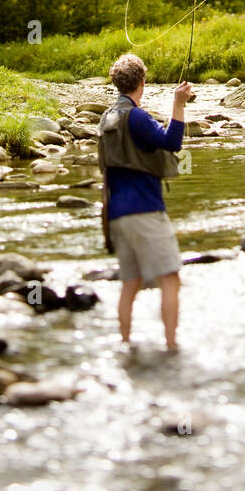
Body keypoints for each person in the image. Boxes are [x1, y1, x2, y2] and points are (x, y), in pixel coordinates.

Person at [97, 53, 191, 351]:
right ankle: (172, 346)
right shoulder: (136, 116)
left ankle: (124, 343)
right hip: (145, 210)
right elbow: (171, 143)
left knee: (131, 282)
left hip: (116, 214)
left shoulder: (106, 118)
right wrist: (178, 104)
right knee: (170, 277)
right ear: (142, 81)